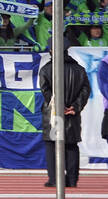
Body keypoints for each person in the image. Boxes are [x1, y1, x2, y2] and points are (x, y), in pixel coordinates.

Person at [38, 53, 91, 188]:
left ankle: (55, 179)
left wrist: (58, 106)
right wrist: (75, 106)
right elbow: (86, 90)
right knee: (72, 145)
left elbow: (45, 90)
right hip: (72, 113)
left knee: (52, 145)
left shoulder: (46, 69)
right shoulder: (79, 69)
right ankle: (72, 180)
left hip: (53, 113)